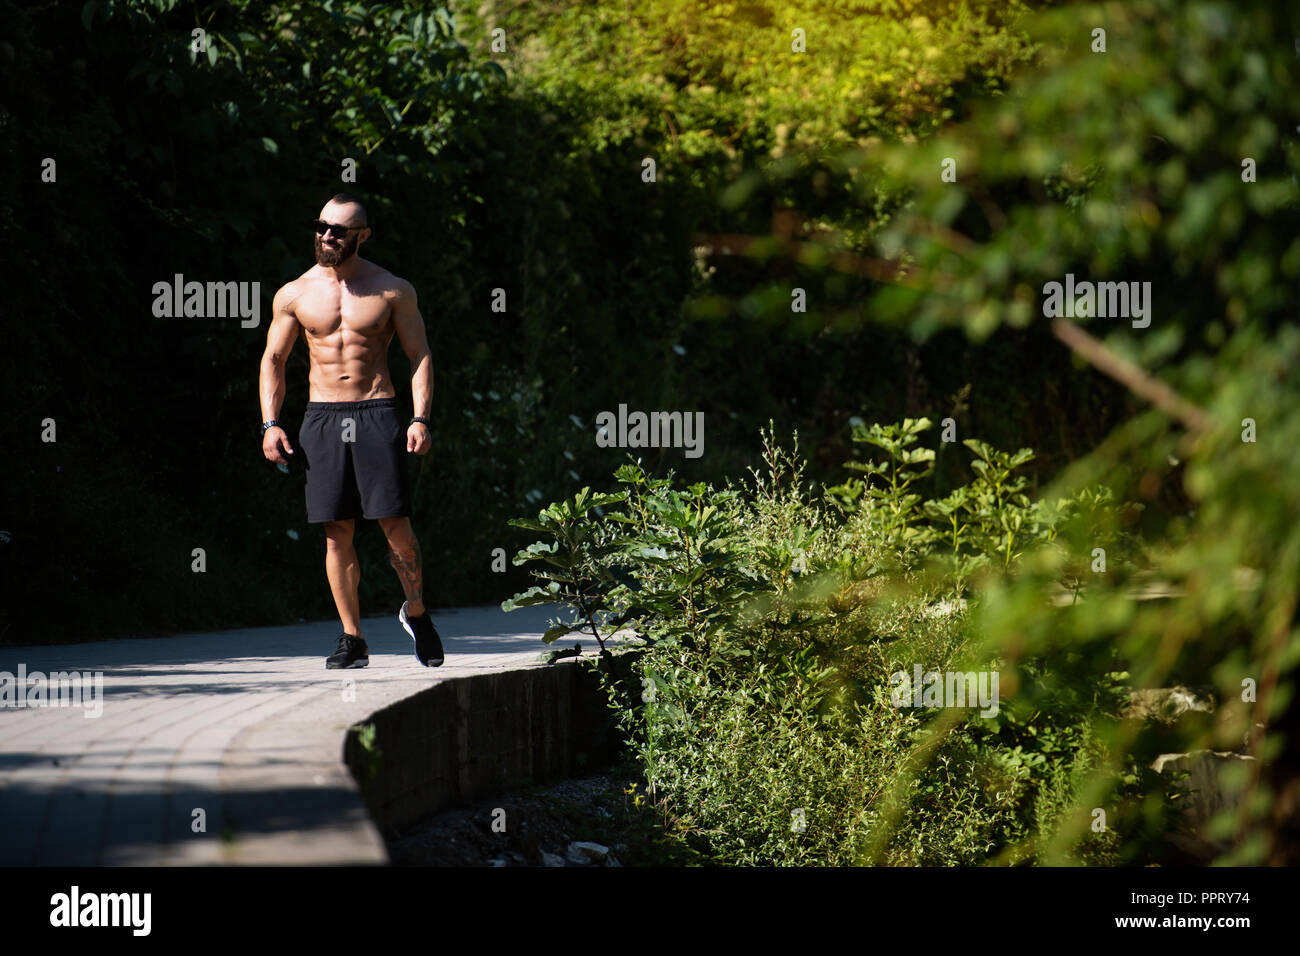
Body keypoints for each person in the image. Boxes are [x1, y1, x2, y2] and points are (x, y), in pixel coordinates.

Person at [257, 192, 444, 669]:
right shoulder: (294, 293)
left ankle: (416, 611)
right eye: (321, 226)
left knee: (396, 527)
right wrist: (271, 424)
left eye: (338, 231)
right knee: (336, 534)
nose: (326, 236)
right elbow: (274, 359)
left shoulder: (392, 290)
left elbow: (419, 354)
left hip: (376, 411)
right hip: (322, 417)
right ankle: (352, 638)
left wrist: (420, 417)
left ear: (362, 235)